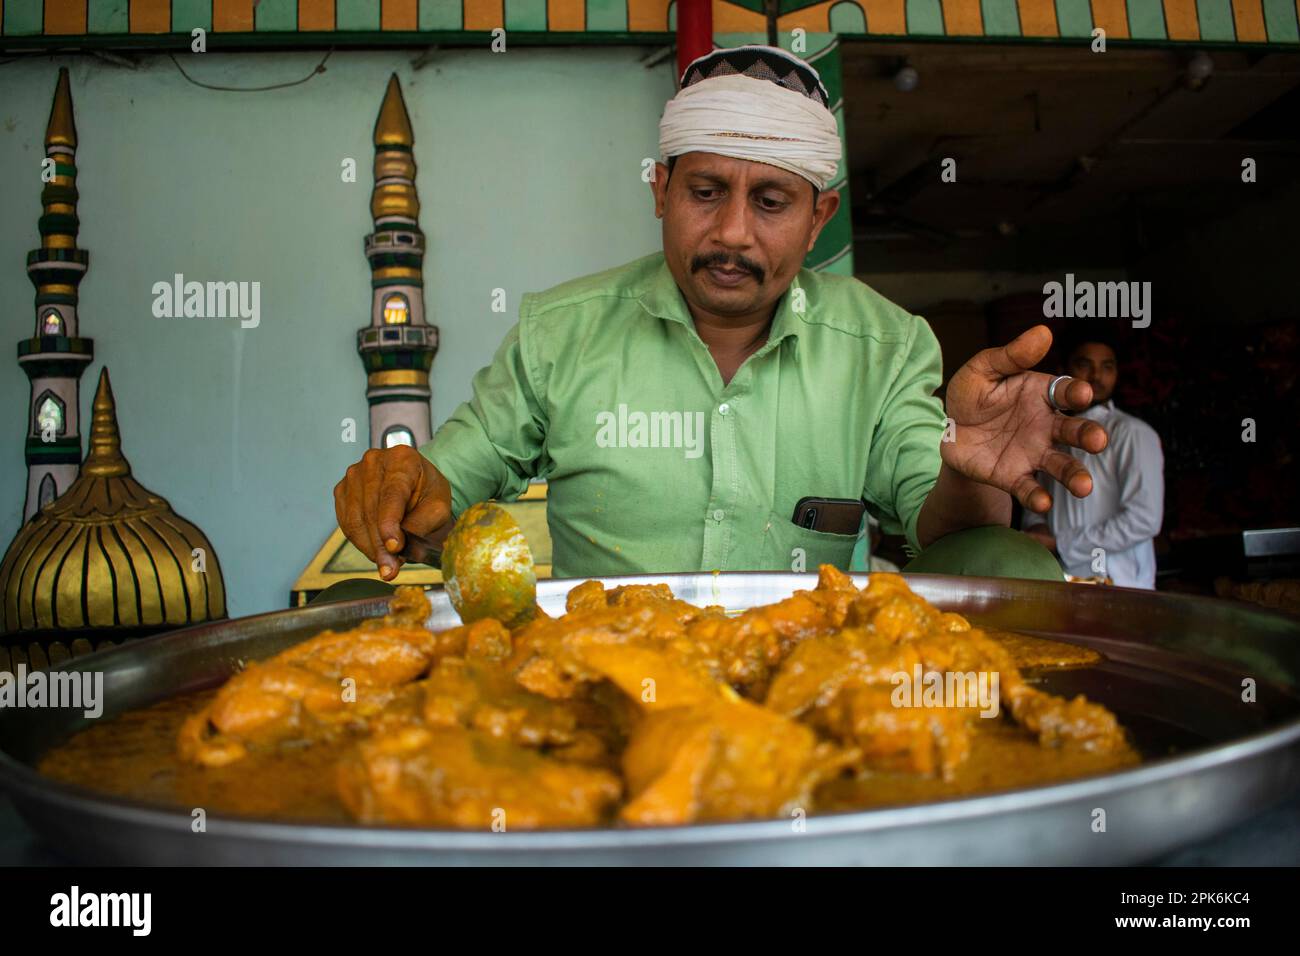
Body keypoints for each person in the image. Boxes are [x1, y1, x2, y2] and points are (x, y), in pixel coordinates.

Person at [333, 45, 1107, 589]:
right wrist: (408, 486)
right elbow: (453, 480)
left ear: (818, 217)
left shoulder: (886, 347)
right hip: (602, 687)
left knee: (1013, 566)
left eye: (771, 202)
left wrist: (969, 467)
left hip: (805, 694)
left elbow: (937, 520)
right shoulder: (557, 333)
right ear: (661, 191)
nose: (733, 232)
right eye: (706, 192)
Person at [1023, 335, 1164, 588]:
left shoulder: (1133, 433)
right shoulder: (1052, 435)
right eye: (1084, 365)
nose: (1096, 375)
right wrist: (1039, 528)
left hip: (1124, 584)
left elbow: (1144, 518)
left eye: (1107, 367)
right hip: (1063, 581)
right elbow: (1035, 503)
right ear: (1065, 371)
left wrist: (1061, 544)